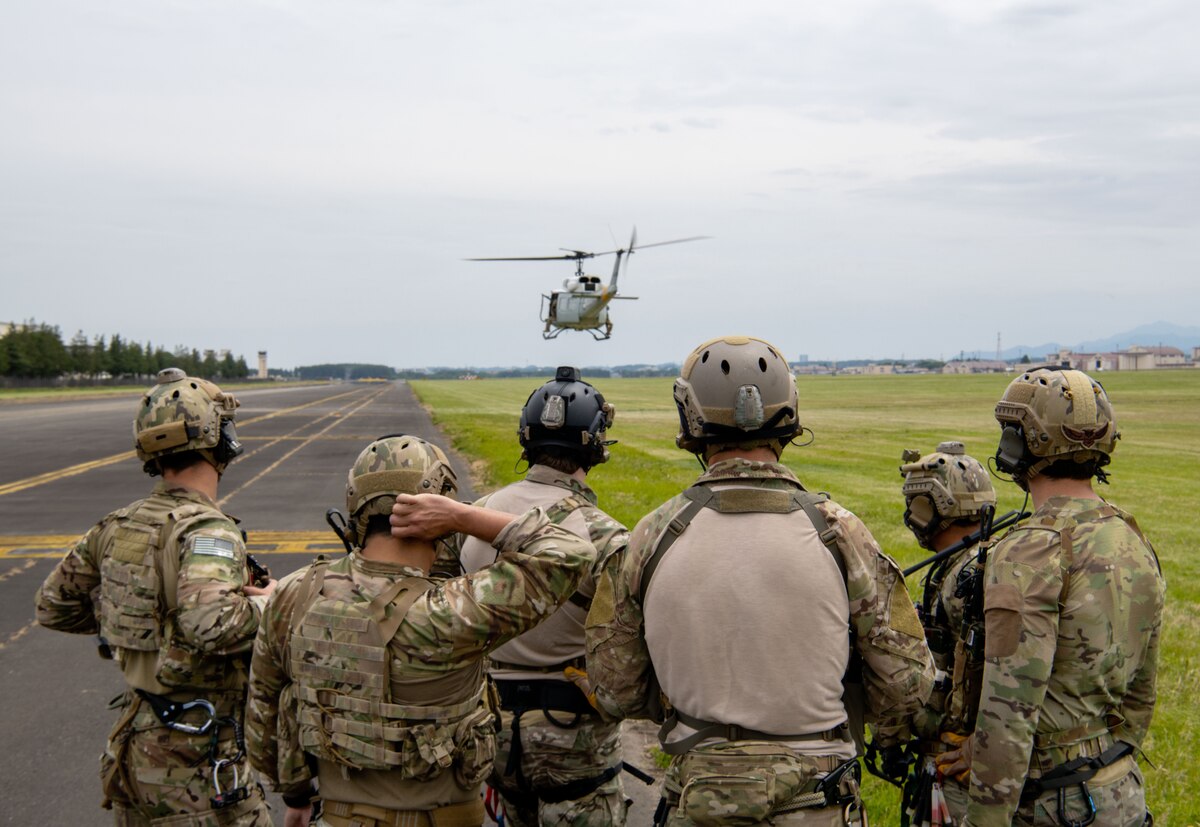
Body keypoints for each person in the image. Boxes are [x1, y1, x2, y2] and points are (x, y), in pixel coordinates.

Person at [585, 335, 935, 825]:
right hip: (817, 800)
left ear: (690, 419)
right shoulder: (839, 531)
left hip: (699, 795)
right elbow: (906, 685)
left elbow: (614, 689)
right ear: (789, 410)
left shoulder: (652, 534)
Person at [246, 434, 600, 827]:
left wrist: (296, 796)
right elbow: (572, 552)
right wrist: (465, 518)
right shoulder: (453, 610)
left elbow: (264, 713)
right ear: (440, 508)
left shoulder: (296, 592)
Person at [35, 367, 274, 826]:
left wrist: (130, 617)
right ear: (216, 439)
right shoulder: (208, 530)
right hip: (198, 766)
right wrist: (271, 602)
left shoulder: (116, 524)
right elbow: (211, 624)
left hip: (135, 752)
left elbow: (53, 606)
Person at [951, 367, 1164, 826]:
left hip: (1053, 801)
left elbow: (1008, 711)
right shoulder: (1131, 536)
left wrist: (984, 819)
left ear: (1019, 444)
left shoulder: (1029, 550)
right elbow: (1142, 691)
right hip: (1119, 788)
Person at [452, 366, 629, 826]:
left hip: (493, 729)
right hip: (572, 734)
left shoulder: (474, 516)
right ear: (595, 443)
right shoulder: (604, 534)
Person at [870, 442, 999, 824]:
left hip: (952, 764)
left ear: (930, 508)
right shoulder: (985, 562)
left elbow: (910, 677)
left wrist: (888, 739)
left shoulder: (959, 581)